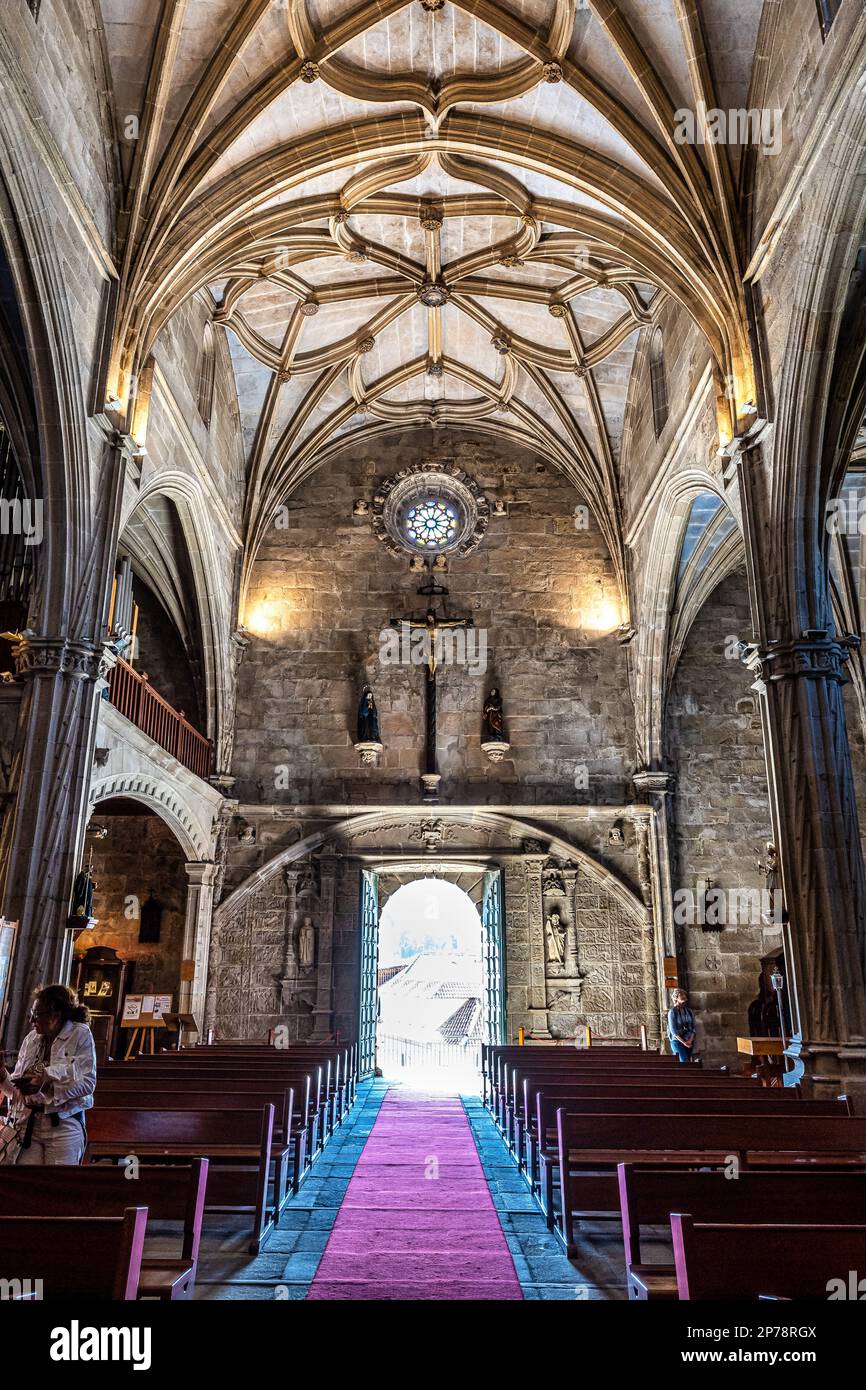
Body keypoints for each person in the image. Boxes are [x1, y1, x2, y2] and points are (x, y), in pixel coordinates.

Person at [0, 983, 96, 1164]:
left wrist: (46, 1083)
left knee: (58, 1186)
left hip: (64, 1125)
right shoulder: (31, 1039)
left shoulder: (80, 1034)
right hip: (30, 1124)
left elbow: (87, 1083)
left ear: (55, 1015)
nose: (31, 1020)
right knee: (28, 1185)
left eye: (36, 1015)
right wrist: (3, 1076)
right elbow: (16, 1093)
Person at [667, 988, 696, 1063]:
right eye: (681, 995)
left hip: (688, 1040)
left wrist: (690, 1040)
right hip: (677, 1041)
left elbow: (693, 1028)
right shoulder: (672, 1012)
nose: (684, 996)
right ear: (676, 998)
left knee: (688, 1062)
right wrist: (684, 1042)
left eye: (684, 994)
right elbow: (674, 1031)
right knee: (683, 1061)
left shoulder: (689, 1011)